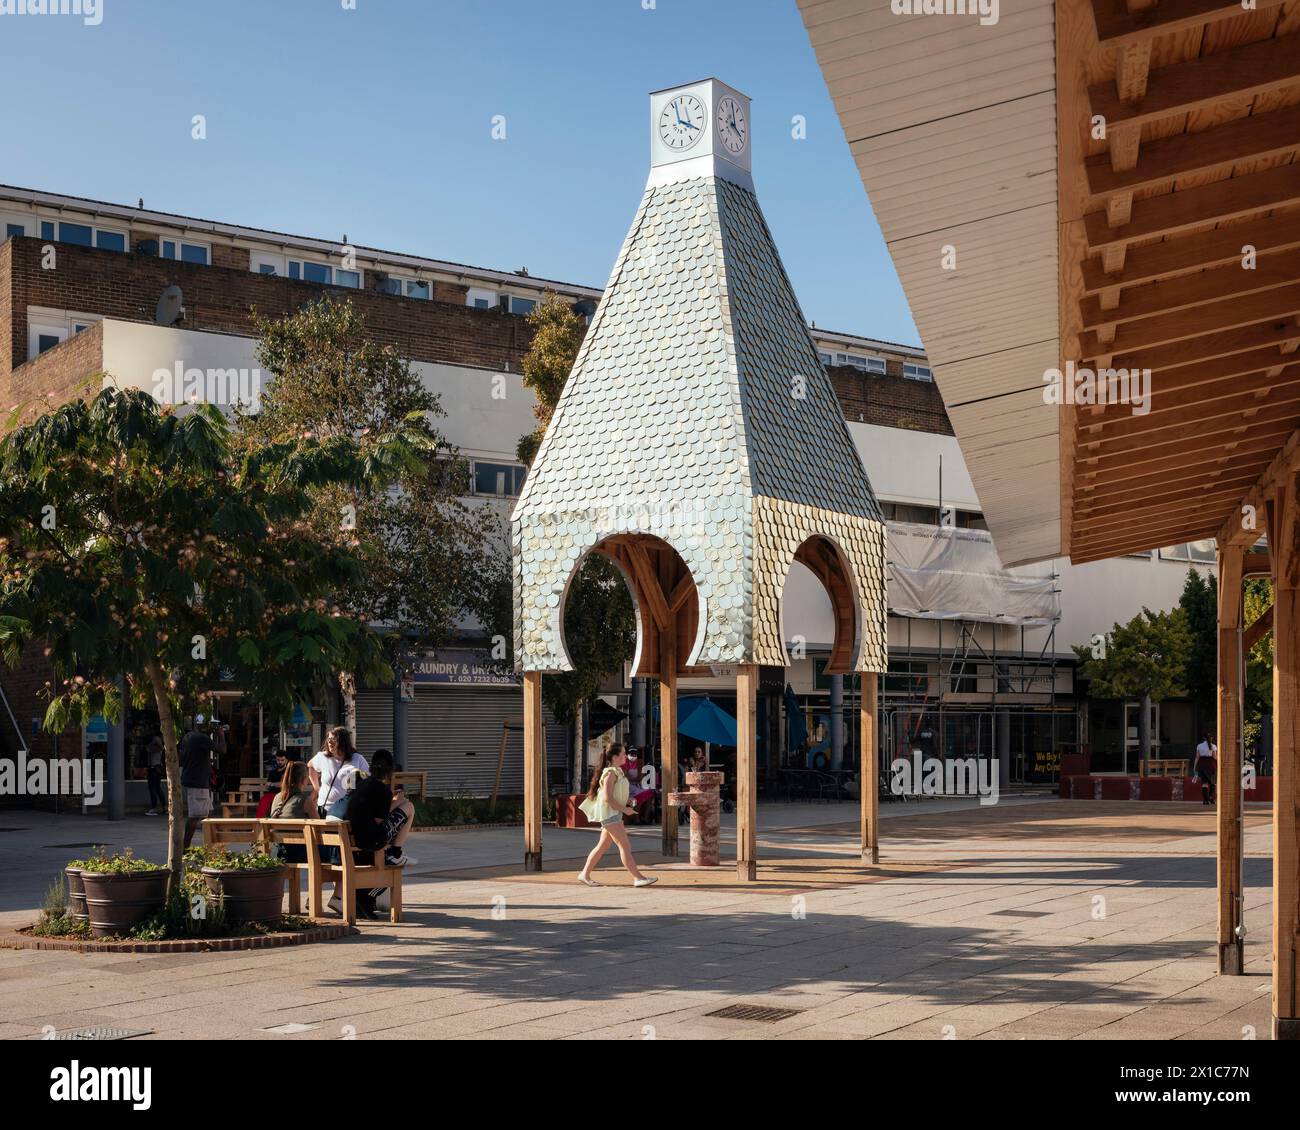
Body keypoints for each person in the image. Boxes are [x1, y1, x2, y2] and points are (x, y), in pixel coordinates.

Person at [347, 750, 417, 919]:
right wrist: (396, 803)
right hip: (372, 840)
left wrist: (391, 804)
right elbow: (380, 822)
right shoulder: (383, 790)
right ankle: (395, 852)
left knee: (404, 804)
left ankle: (394, 854)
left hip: (355, 838)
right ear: (390, 770)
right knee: (409, 807)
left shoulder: (361, 785)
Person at [577, 742, 657, 888]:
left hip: (613, 814)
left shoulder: (617, 771)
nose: (626, 756)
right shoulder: (610, 773)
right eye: (623, 753)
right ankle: (638, 878)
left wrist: (628, 800)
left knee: (602, 847)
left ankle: (585, 874)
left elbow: (614, 794)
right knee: (625, 846)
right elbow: (607, 798)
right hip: (610, 815)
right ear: (614, 757)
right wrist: (625, 809)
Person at [181, 719, 226, 847]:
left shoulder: (188, 737)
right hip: (197, 782)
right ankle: (186, 848)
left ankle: (212, 845)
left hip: (191, 779)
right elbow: (222, 749)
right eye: (212, 726)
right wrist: (221, 734)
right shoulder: (201, 738)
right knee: (195, 816)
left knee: (208, 814)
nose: (213, 728)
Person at [308, 727, 369, 816]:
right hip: (325, 808)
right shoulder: (322, 757)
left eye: (333, 739)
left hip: (348, 811)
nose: (329, 742)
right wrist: (316, 788)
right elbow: (310, 766)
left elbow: (368, 780)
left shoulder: (357, 759)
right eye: (329, 739)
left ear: (343, 742)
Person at [1195, 731, 1217, 806]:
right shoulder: (1213, 746)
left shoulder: (1199, 746)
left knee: (1204, 783)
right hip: (1211, 765)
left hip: (1202, 765)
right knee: (1213, 782)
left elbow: (1197, 757)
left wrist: (1195, 766)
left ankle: (1205, 800)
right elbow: (1214, 757)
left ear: (1203, 738)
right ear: (1211, 738)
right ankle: (1210, 797)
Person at [144, 735, 165, 815]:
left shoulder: (155, 747)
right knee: (157, 788)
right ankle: (163, 807)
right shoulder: (158, 747)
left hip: (154, 768)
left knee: (153, 788)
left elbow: (148, 749)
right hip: (156, 768)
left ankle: (154, 808)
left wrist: (151, 744)